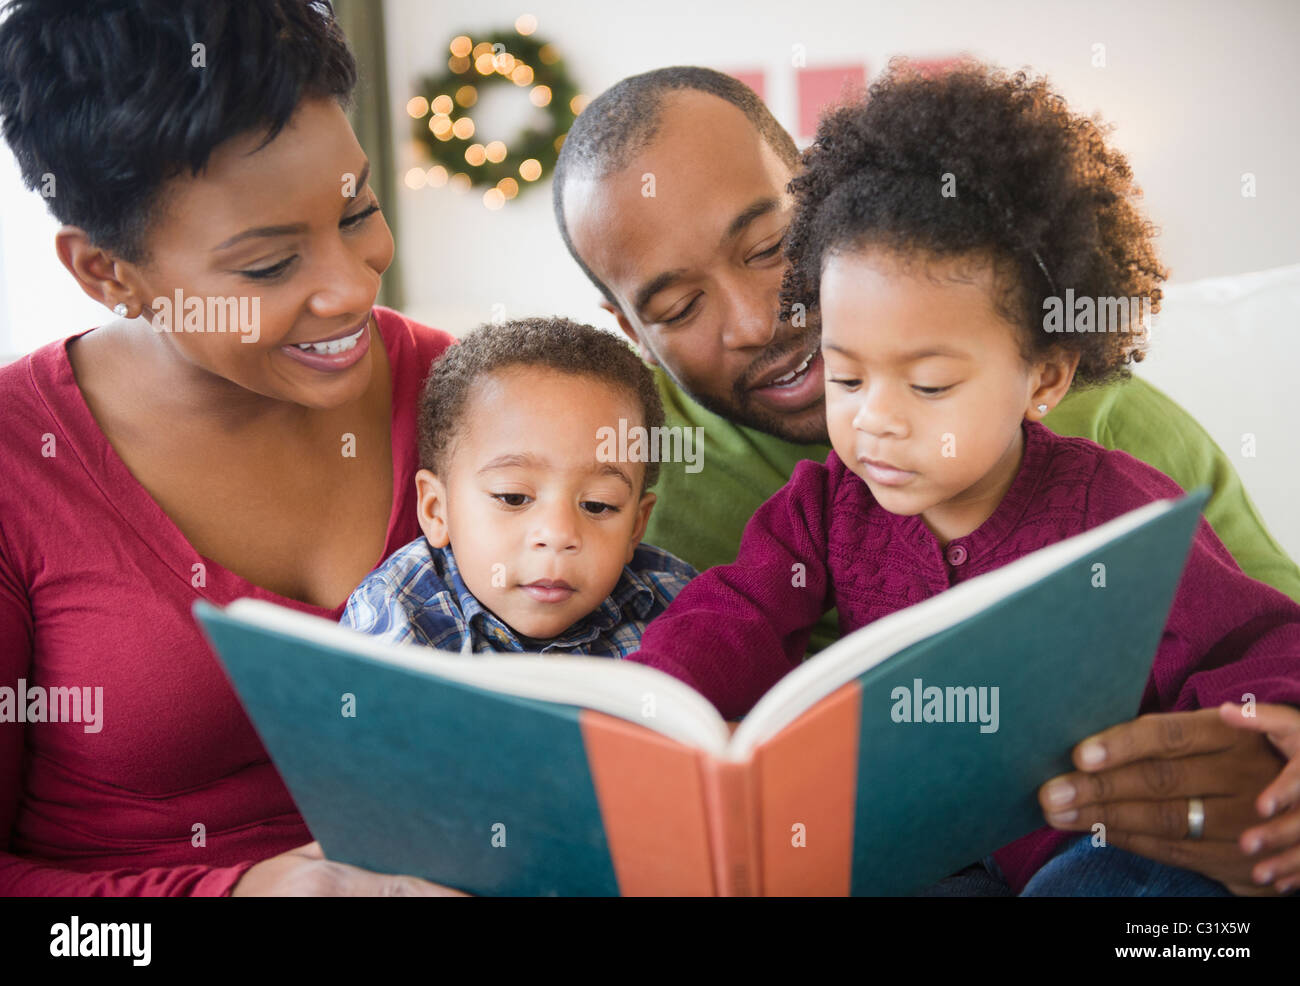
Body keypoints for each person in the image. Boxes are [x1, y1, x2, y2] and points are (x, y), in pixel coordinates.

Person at [553, 65, 1300, 893]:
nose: (876, 419)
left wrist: (1273, 742)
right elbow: (732, 614)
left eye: (767, 249)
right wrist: (642, 717)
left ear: (1046, 377)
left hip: (1110, 842)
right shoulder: (651, 463)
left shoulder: (1118, 484)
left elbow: (1255, 638)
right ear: (628, 327)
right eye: (848, 377)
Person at [0, 0, 461, 895]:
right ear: (106, 272)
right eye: (268, 266)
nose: (348, 289)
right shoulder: (19, 469)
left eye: (356, 210)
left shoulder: (464, 392)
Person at [342, 318, 695, 653]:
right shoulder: (400, 610)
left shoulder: (678, 604)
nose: (558, 535)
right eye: (513, 497)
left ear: (635, 527)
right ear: (437, 510)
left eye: (598, 505)